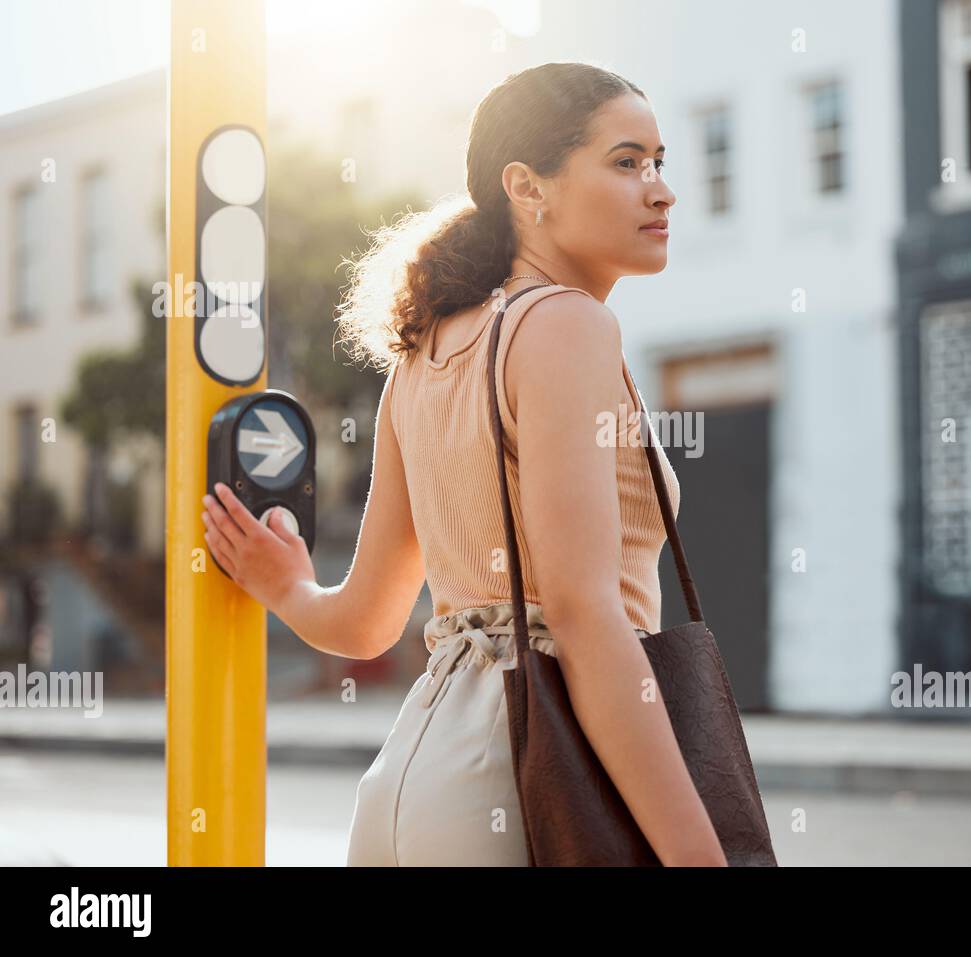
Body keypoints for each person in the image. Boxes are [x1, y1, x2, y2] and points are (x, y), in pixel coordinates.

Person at [199, 62, 727, 866]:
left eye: (659, 163)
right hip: (526, 781)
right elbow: (585, 616)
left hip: (413, 778)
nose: (661, 191)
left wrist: (287, 588)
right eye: (625, 162)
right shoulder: (566, 324)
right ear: (528, 186)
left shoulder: (421, 360)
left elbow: (369, 620)